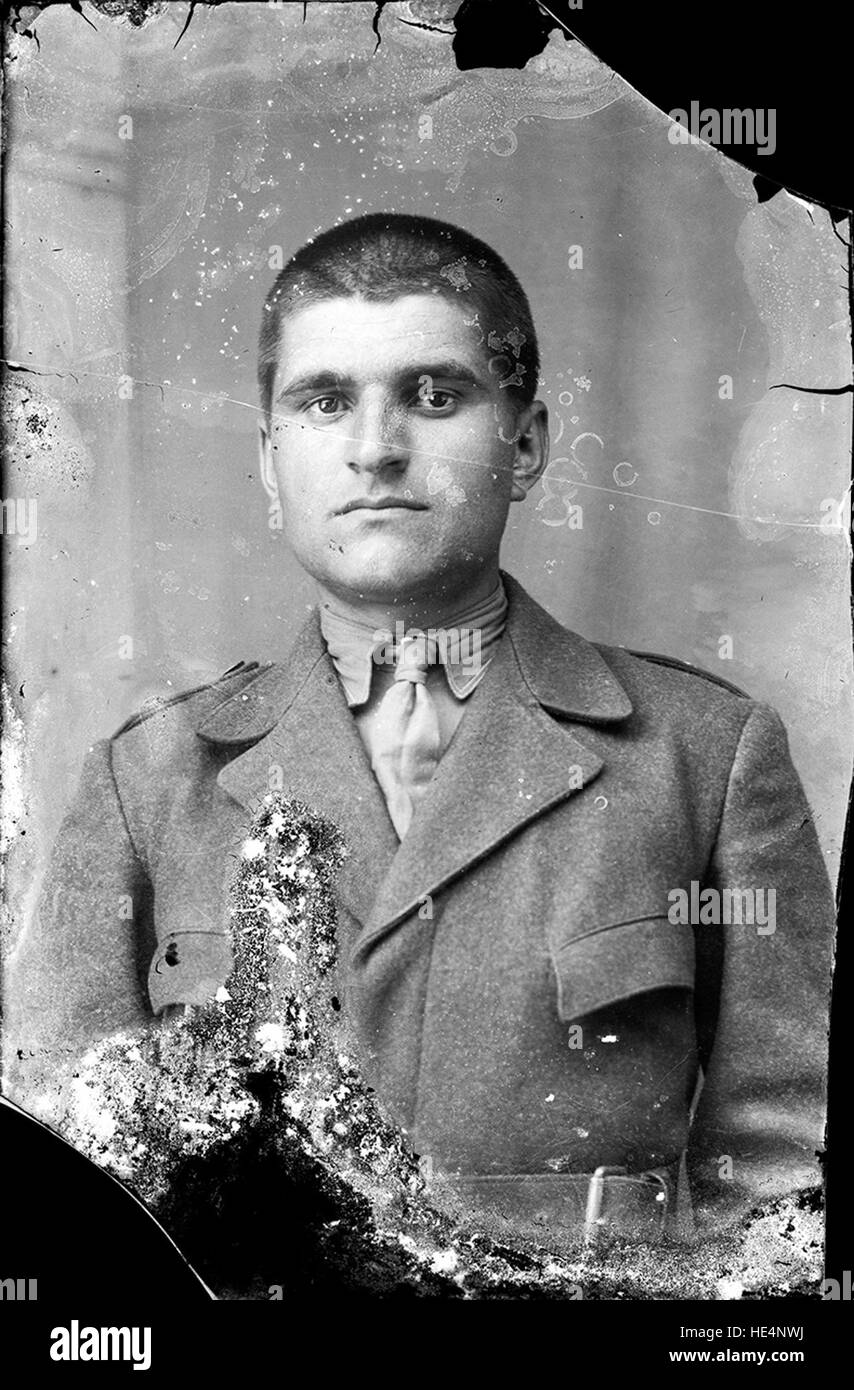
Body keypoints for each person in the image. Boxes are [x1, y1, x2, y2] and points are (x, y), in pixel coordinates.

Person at [6, 213, 835, 1247]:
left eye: (434, 395)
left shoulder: (703, 759)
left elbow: (780, 1186)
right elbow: (62, 1182)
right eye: (323, 402)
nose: (374, 449)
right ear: (269, 463)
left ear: (524, 443)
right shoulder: (146, 784)